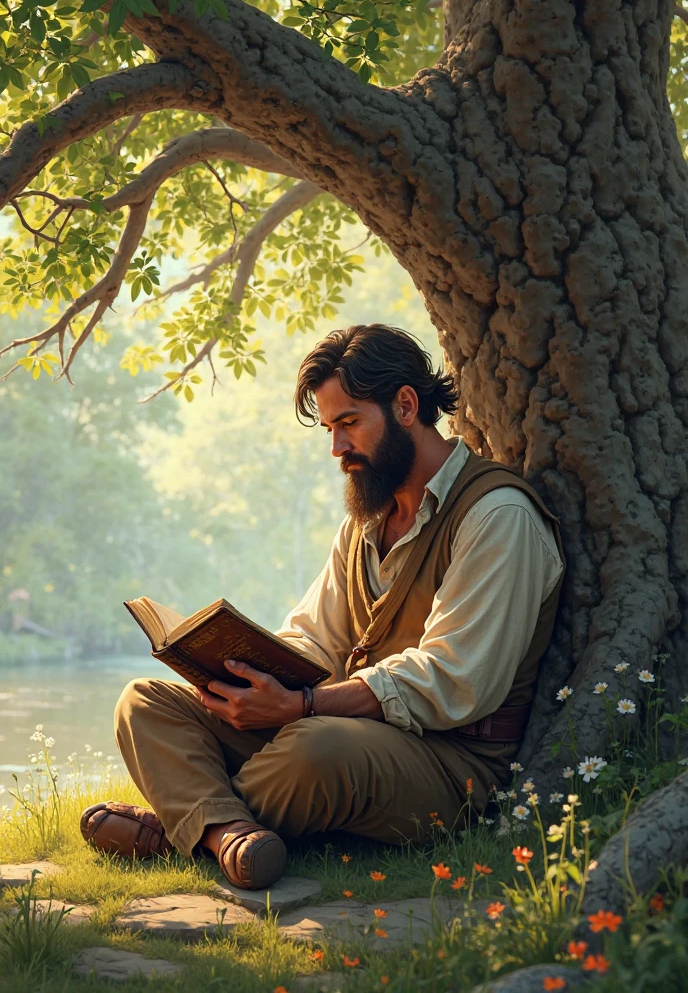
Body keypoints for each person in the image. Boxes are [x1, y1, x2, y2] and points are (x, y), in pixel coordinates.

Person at [81, 324, 565, 890]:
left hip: (451, 760)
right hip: (341, 726)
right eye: (330, 429)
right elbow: (314, 637)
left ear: (406, 406)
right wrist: (247, 678)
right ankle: (229, 835)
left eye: (349, 423)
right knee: (145, 702)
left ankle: (179, 830)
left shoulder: (498, 516)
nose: (337, 449)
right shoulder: (364, 523)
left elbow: (453, 677)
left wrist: (304, 705)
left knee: (315, 749)